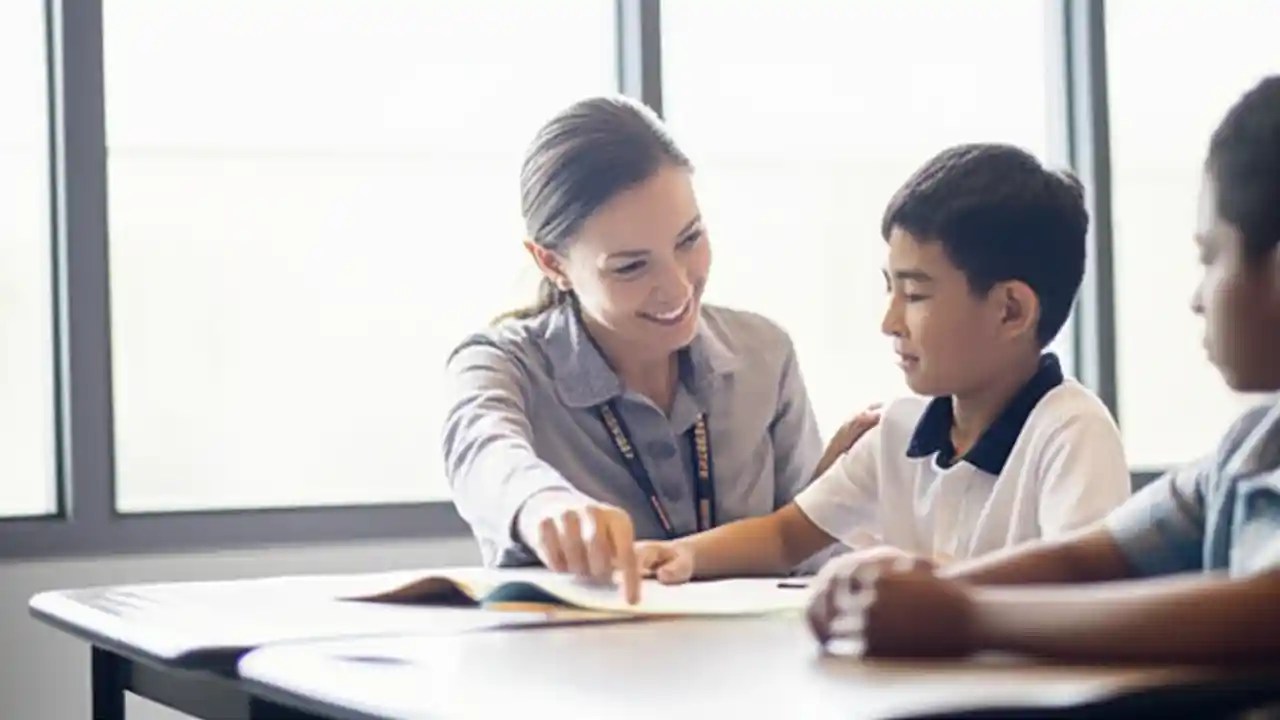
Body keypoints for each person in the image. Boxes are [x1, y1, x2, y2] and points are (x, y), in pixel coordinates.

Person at [805, 77, 1280, 663]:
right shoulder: (1251, 448)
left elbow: (1261, 613)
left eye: (1211, 256)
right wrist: (913, 594)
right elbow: (1097, 557)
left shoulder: (1069, 423)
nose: (1197, 298)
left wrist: (967, 616)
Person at [636, 144, 1131, 585]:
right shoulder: (900, 429)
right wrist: (678, 554)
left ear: (1010, 310)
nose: (890, 321)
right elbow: (786, 536)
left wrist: (937, 591)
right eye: (889, 288)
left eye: (915, 294)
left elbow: (1083, 588)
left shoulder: (1071, 432)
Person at [442, 96, 869, 603]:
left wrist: (842, 494)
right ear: (551, 263)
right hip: (577, 669)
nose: (677, 288)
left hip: (748, 670)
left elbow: (810, 558)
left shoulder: (764, 355)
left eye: (689, 239)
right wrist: (542, 503)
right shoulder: (502, 364)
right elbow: (484, 454)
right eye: (630, 267)